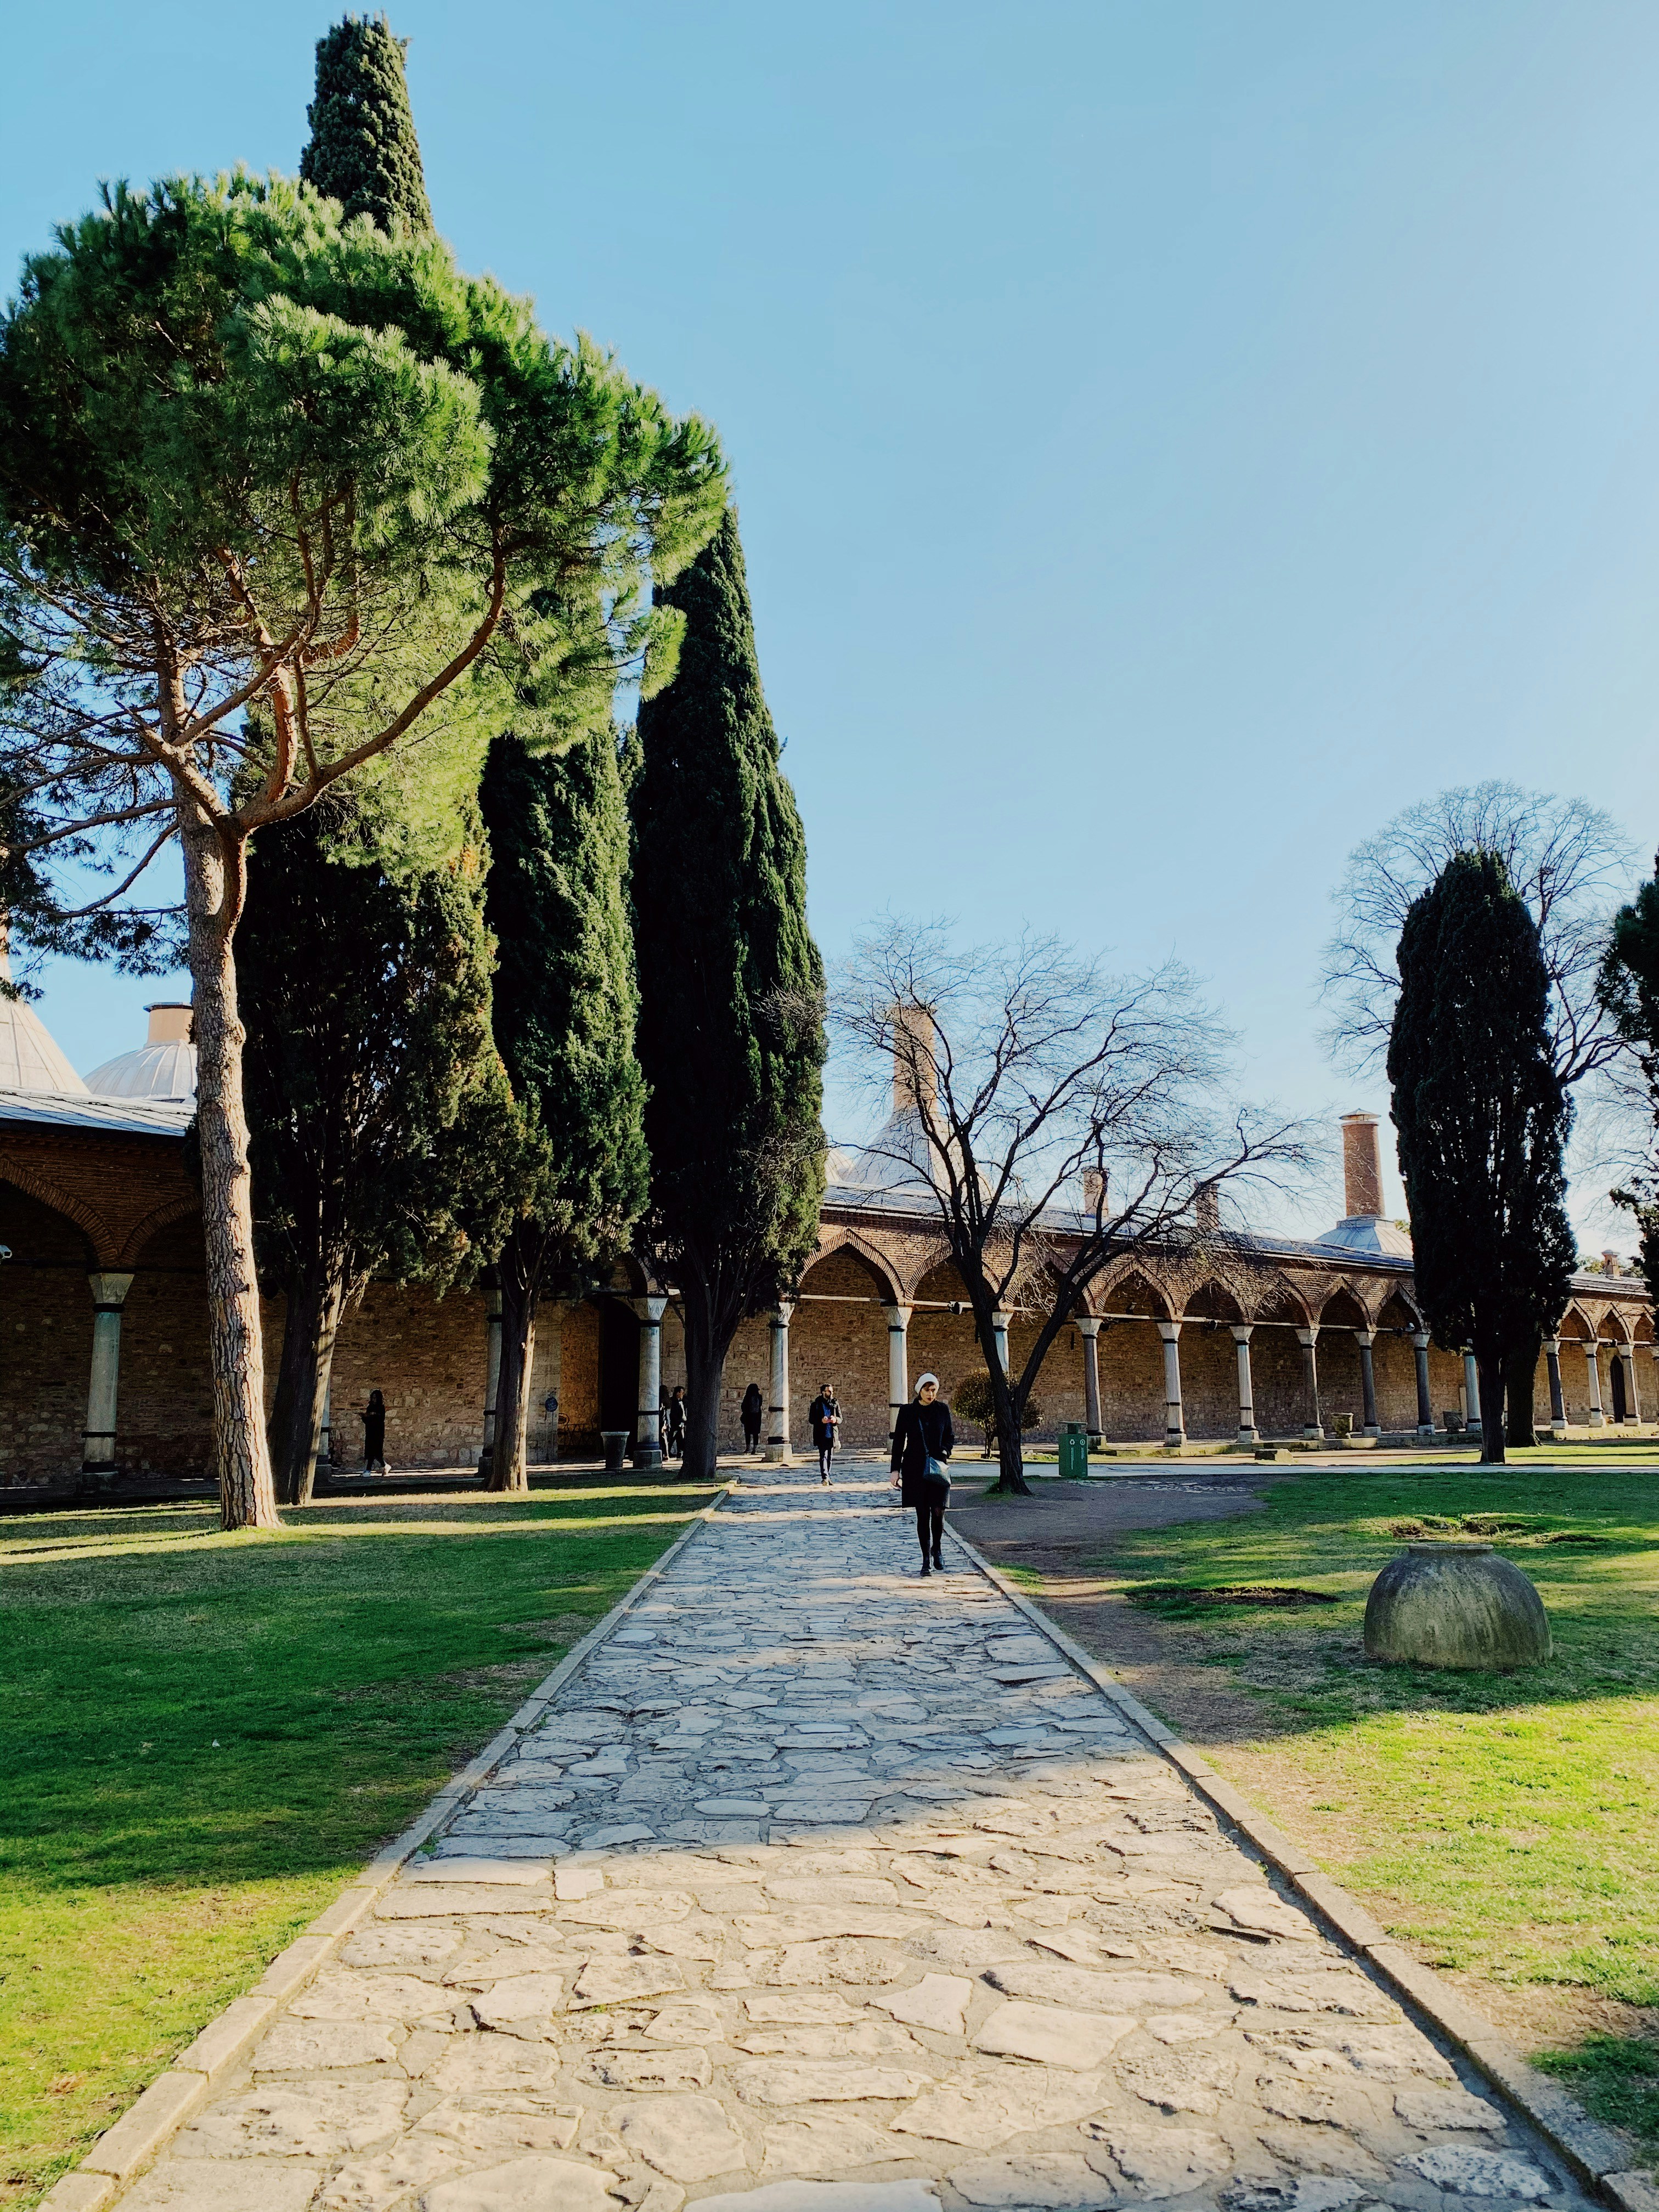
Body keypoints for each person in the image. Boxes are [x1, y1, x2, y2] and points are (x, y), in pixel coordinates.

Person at [890, 1373, 955, 1575]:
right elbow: (899, 1441)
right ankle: (926, 1559)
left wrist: (945, 1450)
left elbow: (950, 1436)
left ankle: (938, 1548)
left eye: (934, 1390)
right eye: (927, 1390)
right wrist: (895, 1470)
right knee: (922, 1514)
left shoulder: (942, 1410)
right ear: (919, 1390)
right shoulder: (908, 1411)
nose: (931, 1394)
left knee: (938, 1511)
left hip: (938, 1467)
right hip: (915, 1468)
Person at [808, 1381, 842, 1483]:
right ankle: (825, 1477)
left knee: (830, 1457)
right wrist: (821, 1421)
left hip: (832, 1434)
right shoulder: (816, 1404)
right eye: (829, 1391)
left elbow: (841, 1419)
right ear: (823, 1392)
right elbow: (811, 1420)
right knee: (823, 1456)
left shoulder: (835, 1403)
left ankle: (828, 1476)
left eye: (832, 1391)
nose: (831, 1393)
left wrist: (835, 1420)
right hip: (821, 1433)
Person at [362, 1389, 387, 1476]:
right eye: (373, 1398)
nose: (374, 1400)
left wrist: (374, 1414)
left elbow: (381, 1419)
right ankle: (385, 1466)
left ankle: (368, 1470)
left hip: (378, 1432)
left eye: (376, 1398)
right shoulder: (370, 1407)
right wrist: (365, 1417)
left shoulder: (381, 1407)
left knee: (375, 1452)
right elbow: (367, 1420)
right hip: (370, 1432)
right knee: (371, 1452)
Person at [740, 1381, 764, 1454]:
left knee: (748, 1433)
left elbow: (743, 1407)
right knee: (755, 1433)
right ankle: (754, 1449)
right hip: (756, 1417)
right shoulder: (759, 1397)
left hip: (748, 1417)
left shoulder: (747, 1397)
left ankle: (748, 1448)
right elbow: (760, 1405)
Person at [666, 1385, 687, 1462]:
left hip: (680, 1424)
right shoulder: (673, 1402)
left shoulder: (681, 1401)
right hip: (676, 1424)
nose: (683, 1394)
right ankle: (667, 1454)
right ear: (678, 1393)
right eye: (682, 1393)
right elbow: (673, 1414)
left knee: (680, 1440)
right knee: (672, 1439)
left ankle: (679, 1455)